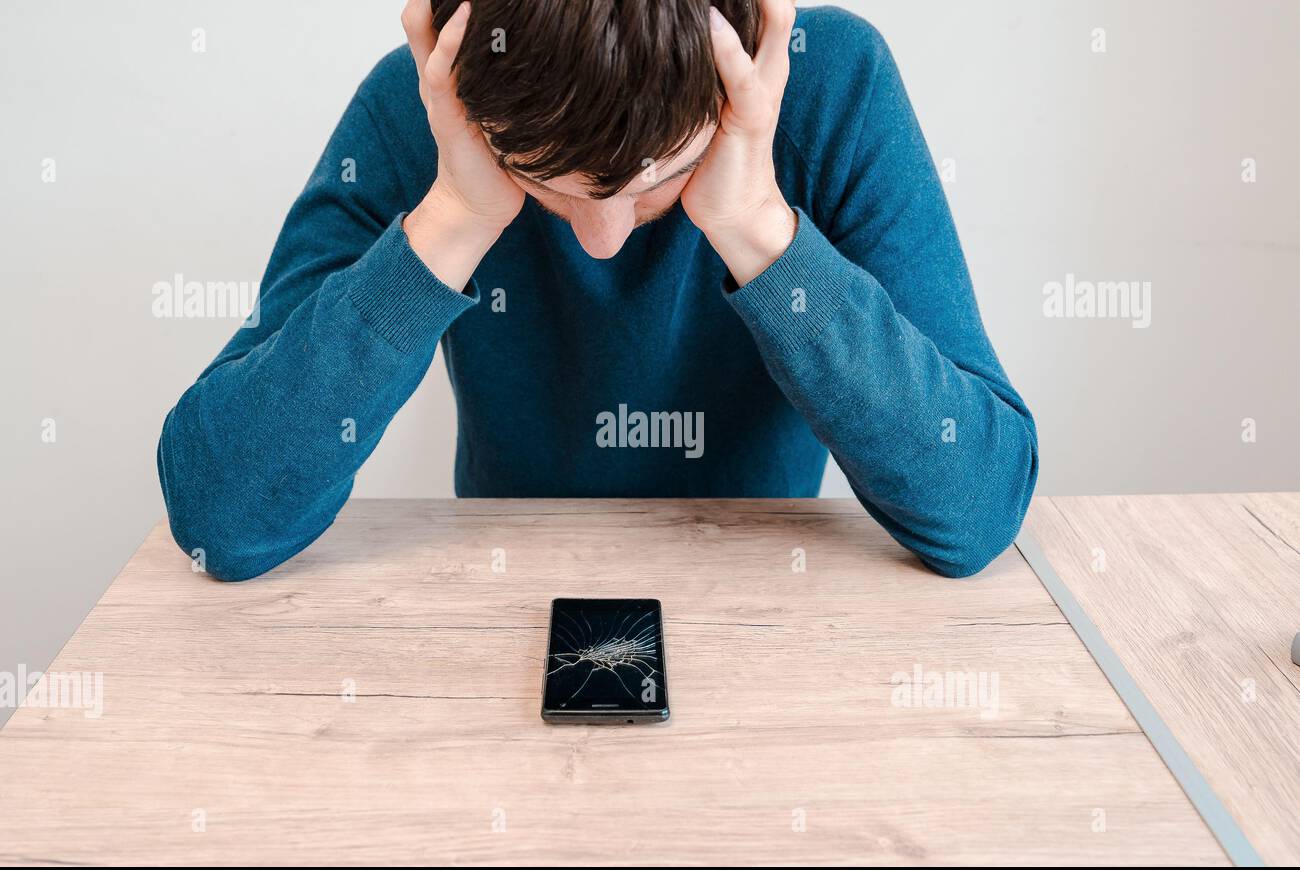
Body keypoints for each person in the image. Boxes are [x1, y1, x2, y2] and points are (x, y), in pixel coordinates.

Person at [157, 0, 1038, 581]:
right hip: (505, 603)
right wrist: (455, 214)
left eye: (666, 178)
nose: (603, 237)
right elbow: (221, 515)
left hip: (773, 605)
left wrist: (760, 225)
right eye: (547, 182)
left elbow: (975, 501)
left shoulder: (830, 84)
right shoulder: (423, 110)